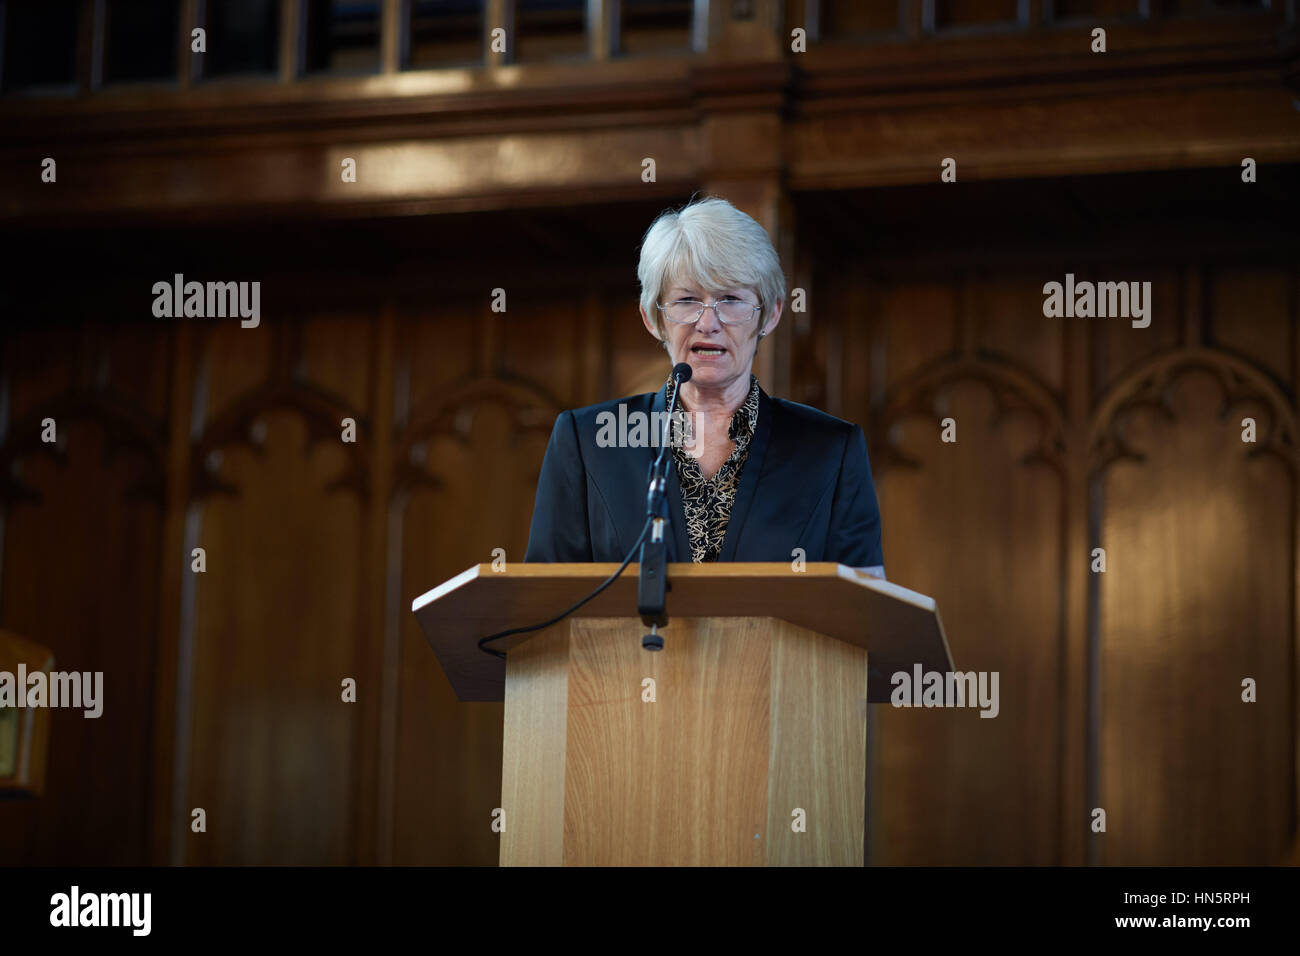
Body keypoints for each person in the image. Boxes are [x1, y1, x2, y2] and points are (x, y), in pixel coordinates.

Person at [523, 196, 885, 577]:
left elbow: (865, 612)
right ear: (652, 318)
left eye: (730, 299)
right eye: (687, 300)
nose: (708, 322)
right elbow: (547, 602)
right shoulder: (588, 441)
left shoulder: (831, 450)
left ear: (771, 314)